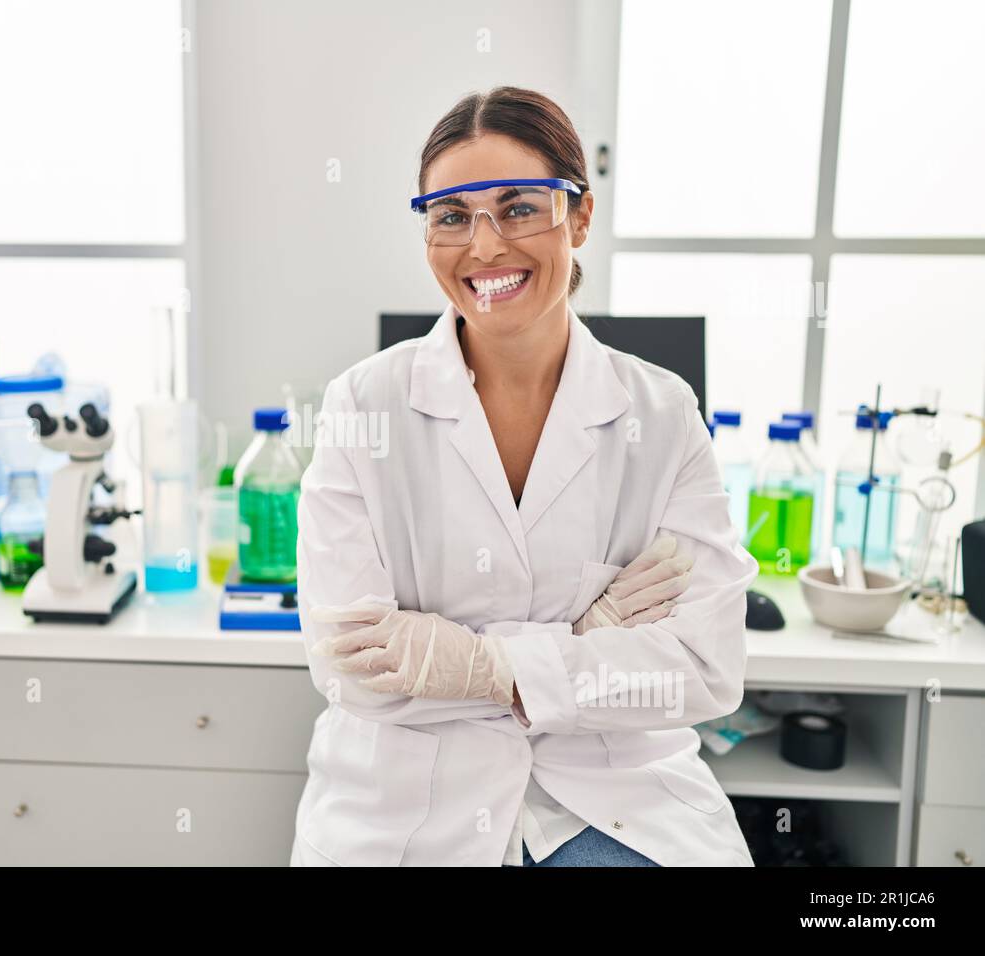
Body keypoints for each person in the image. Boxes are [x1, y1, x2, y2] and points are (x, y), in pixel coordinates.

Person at [288, 87, 760, 867]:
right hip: (404, 813)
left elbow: (704, 671)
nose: (484, 247)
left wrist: (480, 665)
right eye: (451, 215)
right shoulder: (363, 405)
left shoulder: (663, 414)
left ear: (578, 217)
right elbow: (353, 667)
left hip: (612, 804)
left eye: (517, 209)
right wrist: (582, 647)